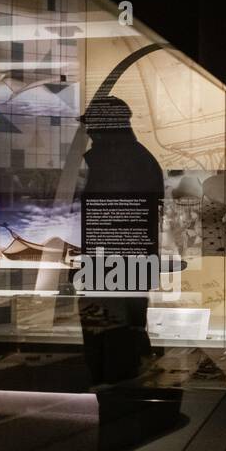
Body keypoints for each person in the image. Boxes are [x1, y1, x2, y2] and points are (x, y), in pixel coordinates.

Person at [76, 95, 164, 383]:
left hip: (103, 268)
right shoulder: (144, 158)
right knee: (130, 339)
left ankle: (114, 402)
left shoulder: (96, 161)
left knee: (104, 351)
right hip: (133, 265)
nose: (88, 132)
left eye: (91, 125)